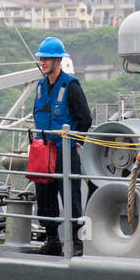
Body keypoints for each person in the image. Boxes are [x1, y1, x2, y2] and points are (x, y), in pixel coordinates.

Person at [31, 36, 92, 256]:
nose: (43, 62)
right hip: (43, 152)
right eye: (42, 59)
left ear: (58, 61)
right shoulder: (39, 86)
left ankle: (77, 242)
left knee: (71, 196)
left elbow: (85, 118)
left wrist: (76, 141)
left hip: (65, 152)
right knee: (44, 195)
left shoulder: (71, 86)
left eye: (47, 59)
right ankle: (52, 239)